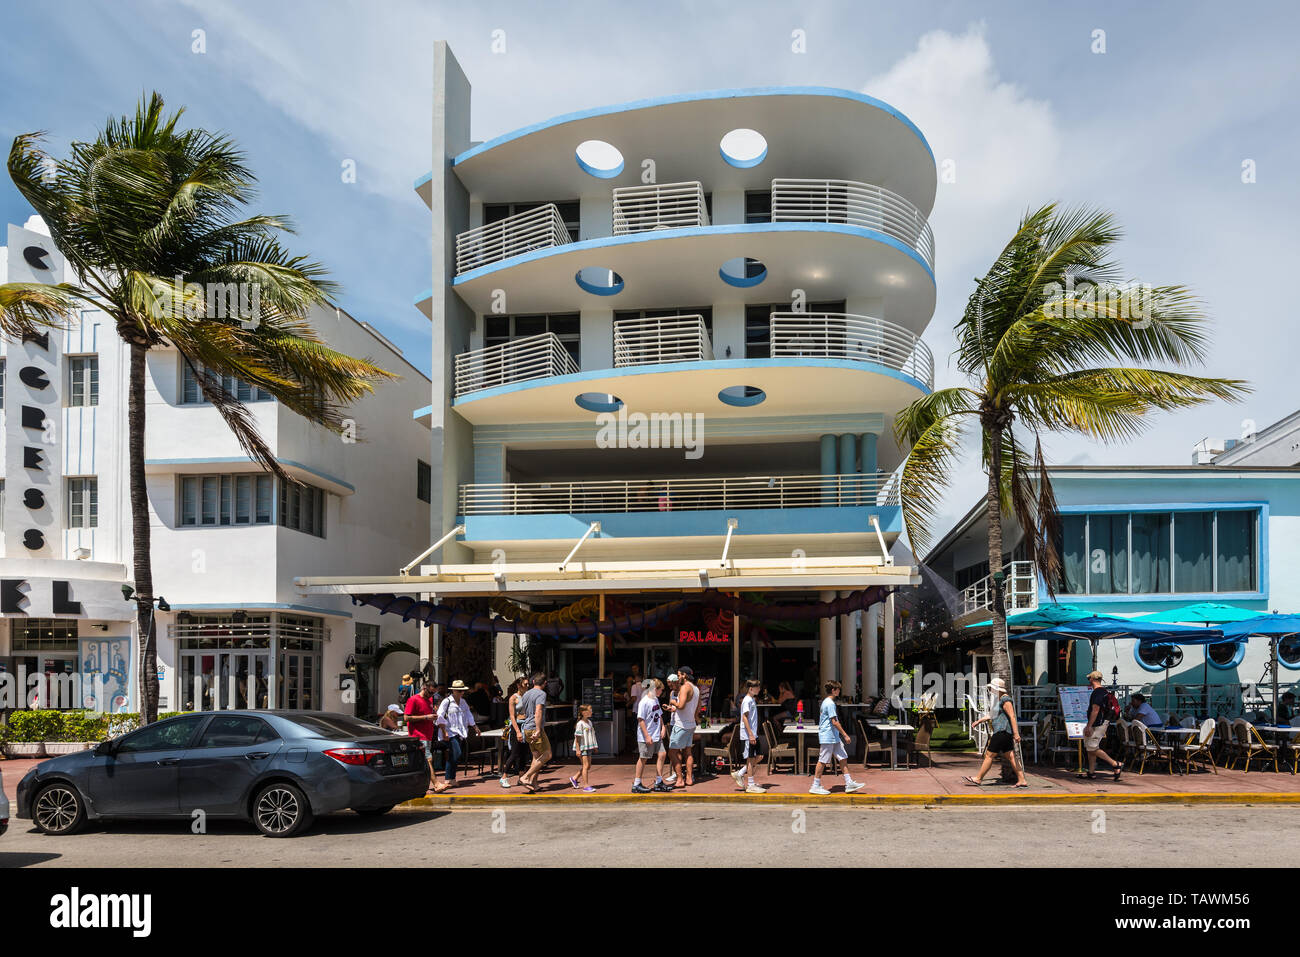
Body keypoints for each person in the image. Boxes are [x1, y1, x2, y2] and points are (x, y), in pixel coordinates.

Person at [963, 677, 1028, 788]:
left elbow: (1012, 716)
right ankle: (1022, 780)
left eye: (992, 688)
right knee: (1011, 756)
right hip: (1004, 732)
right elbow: (992, 715)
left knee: (989, 755)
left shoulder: (1005, 700)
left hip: (1002, 731)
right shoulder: (999, 700)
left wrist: (1016, 733)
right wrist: (978, 721)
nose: (991, 690)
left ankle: (978, 778)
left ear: (998, 689)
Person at [809, 680, 864, 794]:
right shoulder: (829, 703)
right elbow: (834, 722)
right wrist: (845, 734)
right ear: (833, 690)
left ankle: (849, 783)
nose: (839, 691)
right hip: (829, 736)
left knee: (842, 757)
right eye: (838, 689)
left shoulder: (827, 702)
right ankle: (815, 785)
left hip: (833, 736)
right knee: (823, 760)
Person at [435, 679, 479, 791]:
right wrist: (444, 731)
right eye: (459, 691)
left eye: (462, 691)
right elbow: (439, 716)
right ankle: (448, 778)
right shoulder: (447, 701)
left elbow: (468, 715)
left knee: (454, 755)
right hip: (449, 732)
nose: (461, 693)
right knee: (456, 752)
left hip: (460, 732)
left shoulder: (463, 702)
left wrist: (474, 726)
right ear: (453, 690)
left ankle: (451, 778)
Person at [1082, 669, 1122, 781]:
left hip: (1098, 723)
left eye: (1089, 678)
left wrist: (1089, 725)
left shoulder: (1098, 692)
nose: (1088, 680)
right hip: (1100, 722)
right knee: (1090, 747)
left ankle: (1115, 763)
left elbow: (1095, 710)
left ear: (1093, 679)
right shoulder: (1103, 691)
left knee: (1092, 747)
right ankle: (1091, 772)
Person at [632, 677, 668, 793]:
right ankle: (636, 784)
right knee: (643, 758)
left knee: (662, 754)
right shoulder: (644, 702)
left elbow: (659, 714)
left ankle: (658, 781)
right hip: (646, 735)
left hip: (656, 734)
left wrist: (663, 727)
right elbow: (641, 720)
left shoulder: (656, 700)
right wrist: (647, 736)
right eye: (660, 690)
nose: (661, 692)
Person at [518, 672, 552, 793]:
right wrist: (538, 729)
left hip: (527, 727)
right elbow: (538, 711)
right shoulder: (541, 694)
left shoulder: (526, 694)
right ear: (545, 683)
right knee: (547, 754)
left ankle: (534, 783)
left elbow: (523, 711)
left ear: (533, 682)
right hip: (535, 728)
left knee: (536, 756)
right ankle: (525, 777)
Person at [731, 678, 766, 794]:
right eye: (757, 687)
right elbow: (744, 717)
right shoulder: (747, 700)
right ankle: (750, 785)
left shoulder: (752, 699)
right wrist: (750, 734)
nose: (759, 689)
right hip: (748, 734)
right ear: (751, 688)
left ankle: (740, 773)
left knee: (760, 756)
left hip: (753, 734)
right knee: (750, 760)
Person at [404, 679, 440, 789]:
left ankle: (414, 785)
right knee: (428, 758)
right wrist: (426, 717)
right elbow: (406, 717)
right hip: (418, 735)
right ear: (424, 688)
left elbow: (427, 714)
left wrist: (433, 715)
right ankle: (436, 784)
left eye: (434, 693)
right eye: (430, 692)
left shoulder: (429, 700)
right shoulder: (413, 700)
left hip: (427, 734)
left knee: (420, 761)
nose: (431, 695)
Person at [665, 668, 698, 787]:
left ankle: (679, 779)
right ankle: (689, 778)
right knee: (688, 752)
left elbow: (681, 705)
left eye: (679, 675)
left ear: (684, 675)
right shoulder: (696, 688)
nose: (678, 677)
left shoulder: (685, 687)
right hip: (690, 724)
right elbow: (698, 707)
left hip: (681, 725)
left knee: (672, 752)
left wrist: (673, 702)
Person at [500, 677, 531, 788]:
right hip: (516, 726)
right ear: (519, 685)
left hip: (526, 725)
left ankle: (521, 777)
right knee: (514, 753)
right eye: (525, 684)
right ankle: (504, 776)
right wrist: (517, 731)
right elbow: (512, 716)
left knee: (523, 753)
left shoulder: (527, 696)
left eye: (528, 684)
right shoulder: (513, 698)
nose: (527, 686)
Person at [570, 704, 597, 792]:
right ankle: (586, 786)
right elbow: (577, 738)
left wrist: (595, 746)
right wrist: (578, 750)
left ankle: (574, 778)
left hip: (589, 747)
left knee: (588, 766)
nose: (591, 712)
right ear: (584, 712)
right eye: (590, 710)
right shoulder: (580, 724)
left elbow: (592, 735)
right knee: (585, 766)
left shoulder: (589, 722)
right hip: (583, 748)